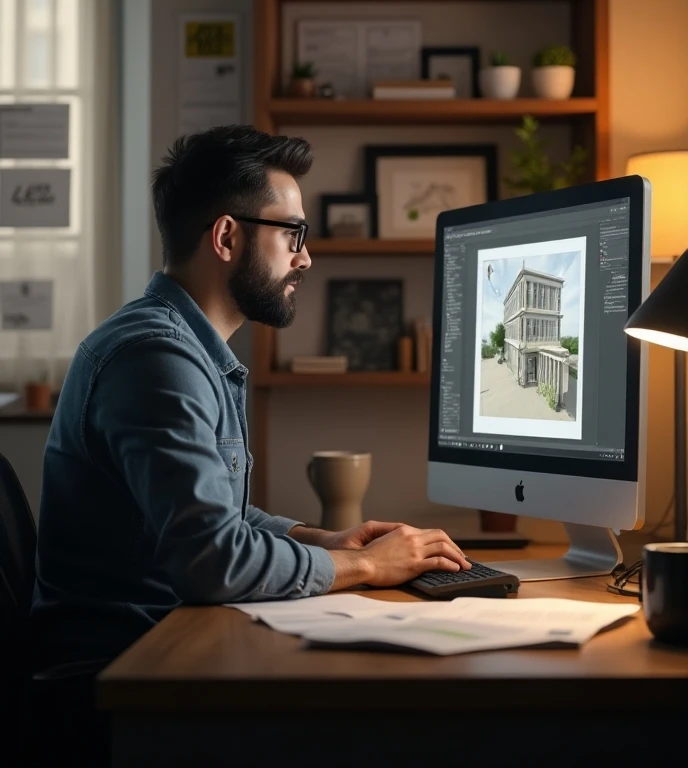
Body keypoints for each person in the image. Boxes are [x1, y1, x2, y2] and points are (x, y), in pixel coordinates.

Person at [31, 125, 470, 673]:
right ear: (226, 238)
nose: (305, 258)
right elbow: (212, 560)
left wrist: (323, 539)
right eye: (293, 234)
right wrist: (364, 568)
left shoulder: (181, 348)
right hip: (119, 677)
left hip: (161, 646)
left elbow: (216, 519)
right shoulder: (157, 359)